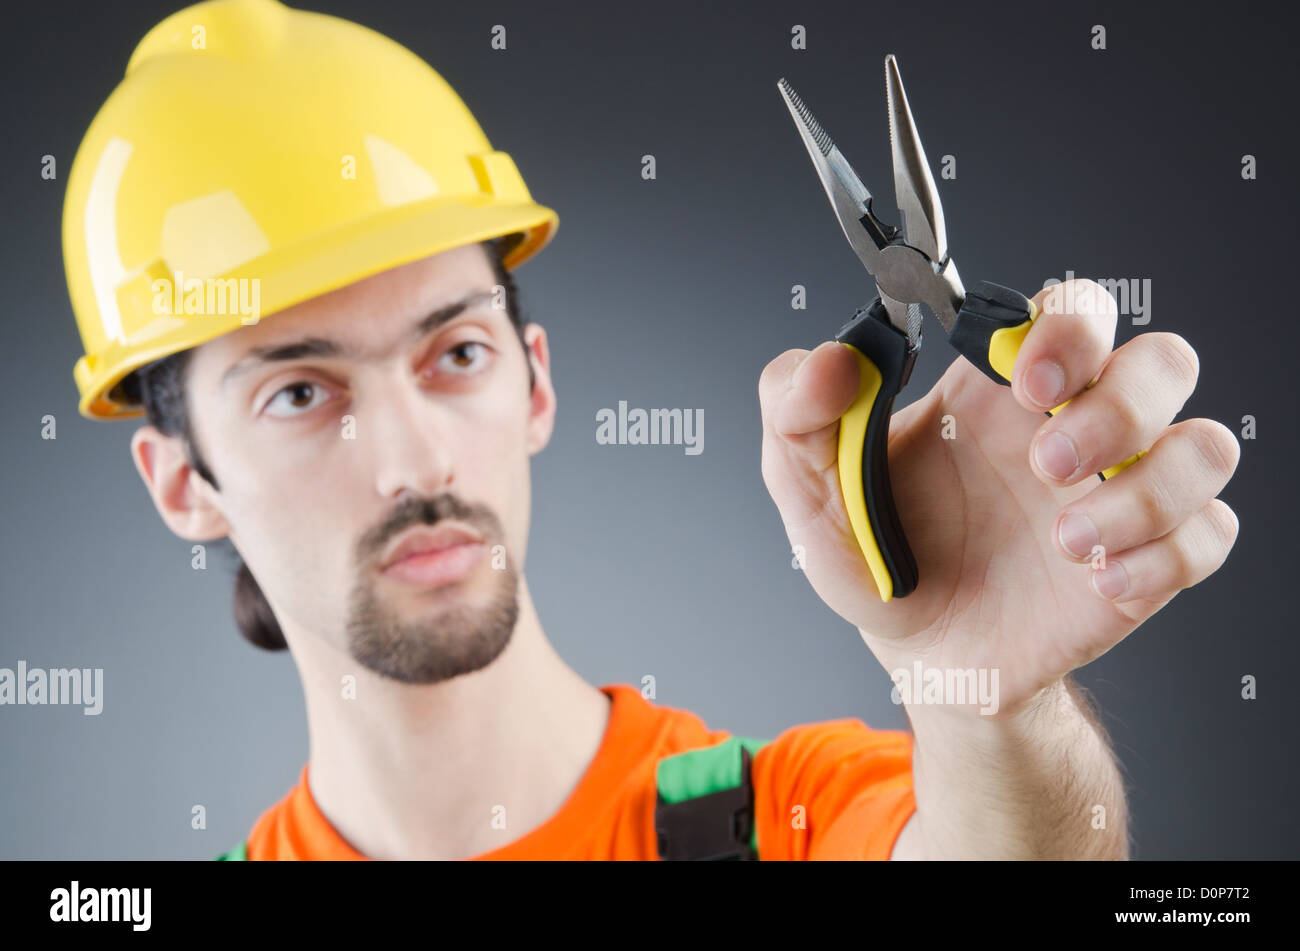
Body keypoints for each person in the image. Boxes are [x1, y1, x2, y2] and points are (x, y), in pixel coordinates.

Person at [63, 0, 1239, 860]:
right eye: (301, 393)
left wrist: (988, 696)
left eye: (455, 353)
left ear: (532, 382)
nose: (414, 460)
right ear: (182, 483)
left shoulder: (787, 822)